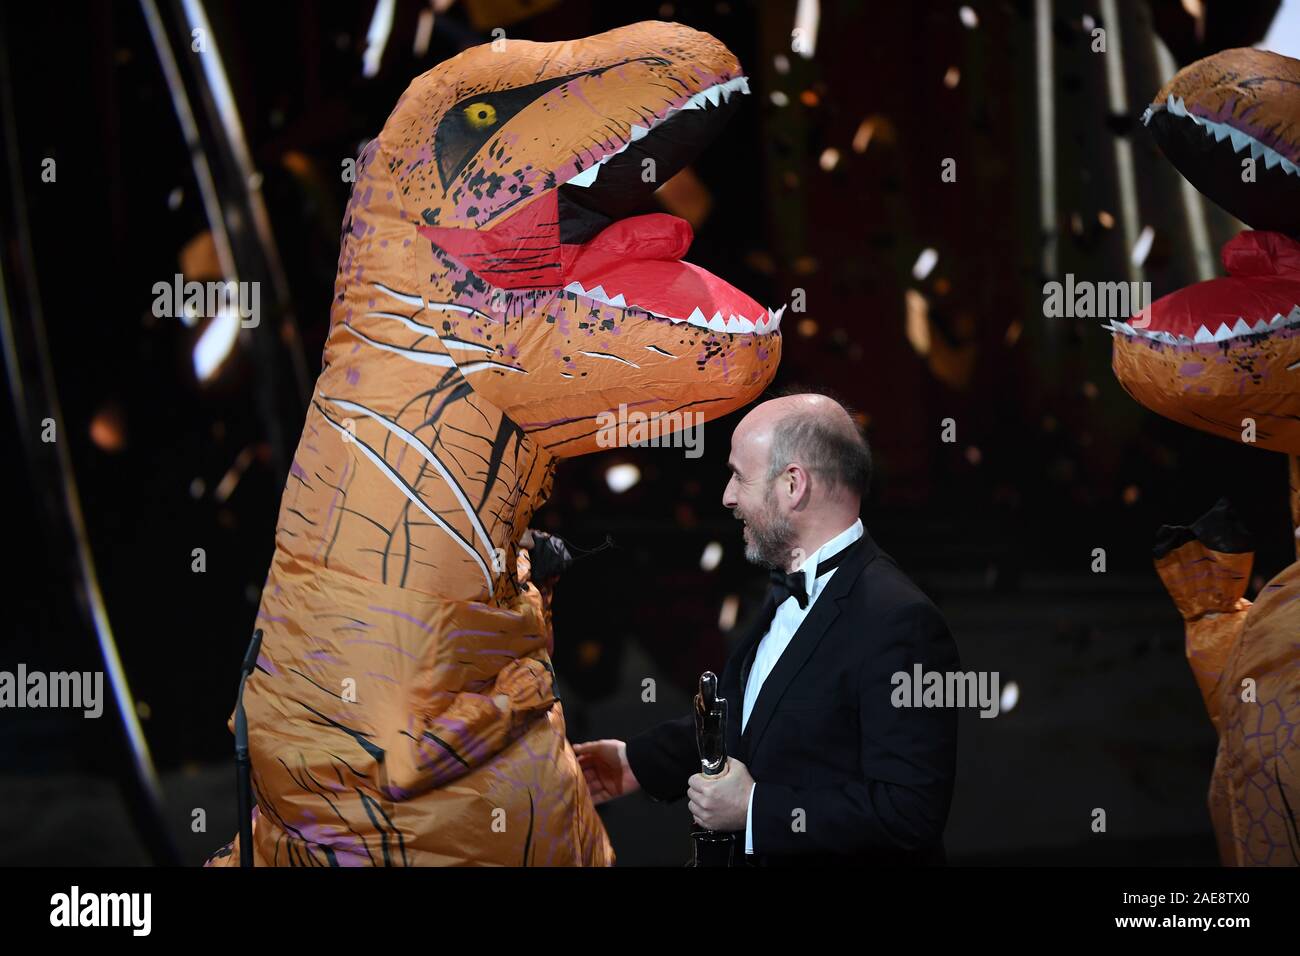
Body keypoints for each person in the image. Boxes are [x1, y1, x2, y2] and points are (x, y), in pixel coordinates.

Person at [574, 391, 960, 865]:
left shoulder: (901, 622)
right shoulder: (786, 585)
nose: (728, 496)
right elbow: (753, 714)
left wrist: (756, 809)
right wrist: (637, 762)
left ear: (792, 485)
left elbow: (910, 814)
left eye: (739, 476)